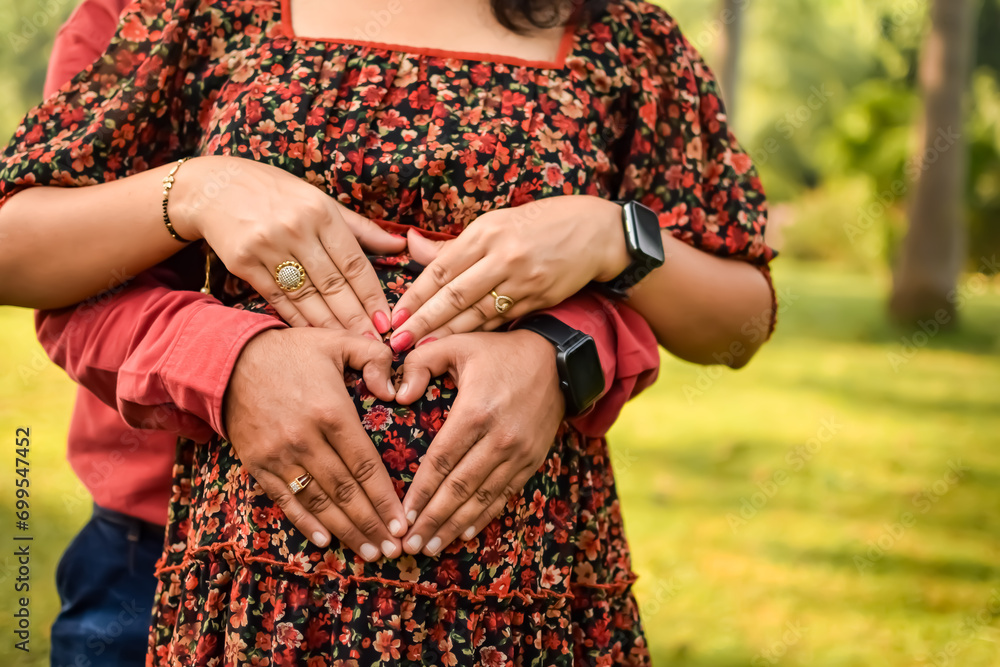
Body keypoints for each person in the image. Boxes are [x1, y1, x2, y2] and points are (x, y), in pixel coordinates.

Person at [0, 0, 776, 663]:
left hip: (524, 591)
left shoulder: (625, 39)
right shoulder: (193, 11)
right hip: (201, 569)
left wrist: (613, 240)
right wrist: (200, 202)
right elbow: (21, 252)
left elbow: (739, 323)